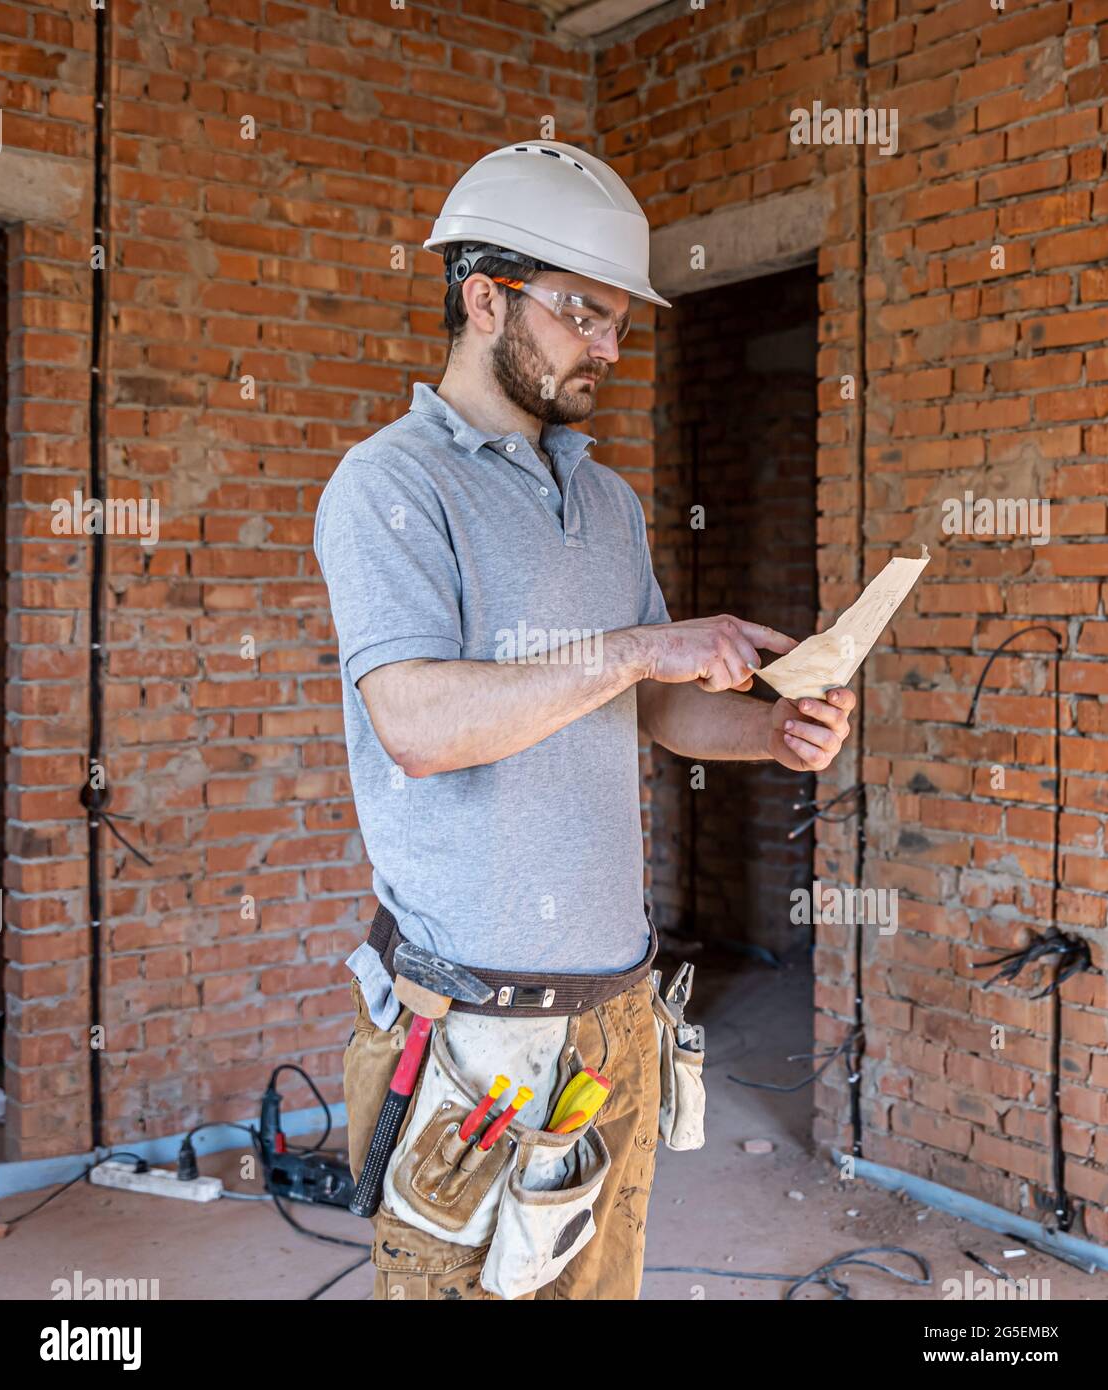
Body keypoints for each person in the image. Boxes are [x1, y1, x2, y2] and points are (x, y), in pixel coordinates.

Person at [314, 139, 855, 1300]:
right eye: (584, 316)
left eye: (618, 321)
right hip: (472, 1041)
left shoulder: (602, 498)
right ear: (483, 297)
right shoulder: (389, 485)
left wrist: (769, 732)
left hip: (614, 1021)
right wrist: (637, 645)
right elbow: (415, 720)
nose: (610, 347)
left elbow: (651, 702)